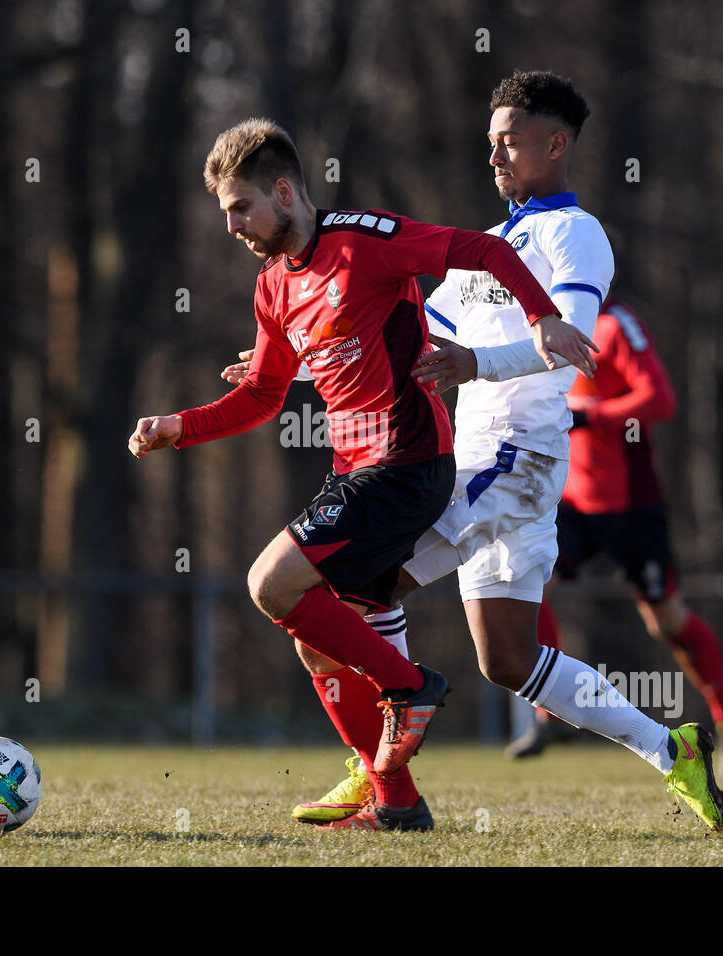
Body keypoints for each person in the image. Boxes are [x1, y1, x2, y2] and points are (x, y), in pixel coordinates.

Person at [228, 71, 723, 831]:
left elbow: (574, 342)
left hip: (513, 457)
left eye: (510, 140)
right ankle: (675, 750)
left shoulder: (576, 234)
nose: (493, 154)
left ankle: (383, 773)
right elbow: (412, 337)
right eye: (490, 140)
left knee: (360, 586)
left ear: (555, 145)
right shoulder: (493, 246)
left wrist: (480, 367)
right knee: (508, 661)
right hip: (484, 462)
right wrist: (290, 365)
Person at [129, 117, 598, 830]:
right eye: (224, 213)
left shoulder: (364, 240)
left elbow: (479, 251)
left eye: (239, 208)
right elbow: (262, 397)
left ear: (284, 192)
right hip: (354, 472)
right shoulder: (272, 289)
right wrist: (178, 427)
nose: (232, 226)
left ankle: (410, 687)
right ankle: (399, 803)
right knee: (316, 640)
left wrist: (539, 318)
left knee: (269, 583)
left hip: (408, 463)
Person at [505, 296, 723, 777]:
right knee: (526, 588)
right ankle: (551, 714)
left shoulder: (616, 325)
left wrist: (592, 416)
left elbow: (660, 399)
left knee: (667, 623)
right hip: (572, 501)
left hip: (630, 505)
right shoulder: (544, 324)